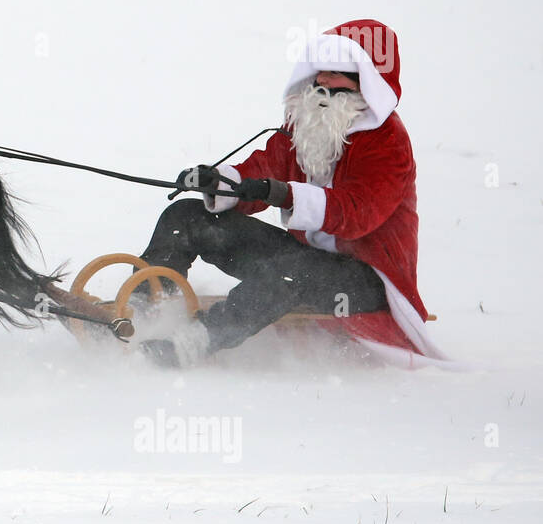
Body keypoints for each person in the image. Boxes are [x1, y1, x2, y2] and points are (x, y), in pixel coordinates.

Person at [136, 20, 451, 368]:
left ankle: (193, 343)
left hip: (365, 279)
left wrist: (285, 195)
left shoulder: (387, 141)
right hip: (303, 256)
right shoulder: (307, 121)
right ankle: (142, 312)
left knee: (286, 272)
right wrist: (221, 181)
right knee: (187, 216)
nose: (324, 81)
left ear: (368, 80)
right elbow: (264, 169)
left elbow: (358, 213)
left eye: (339, 73)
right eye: (321, 71)